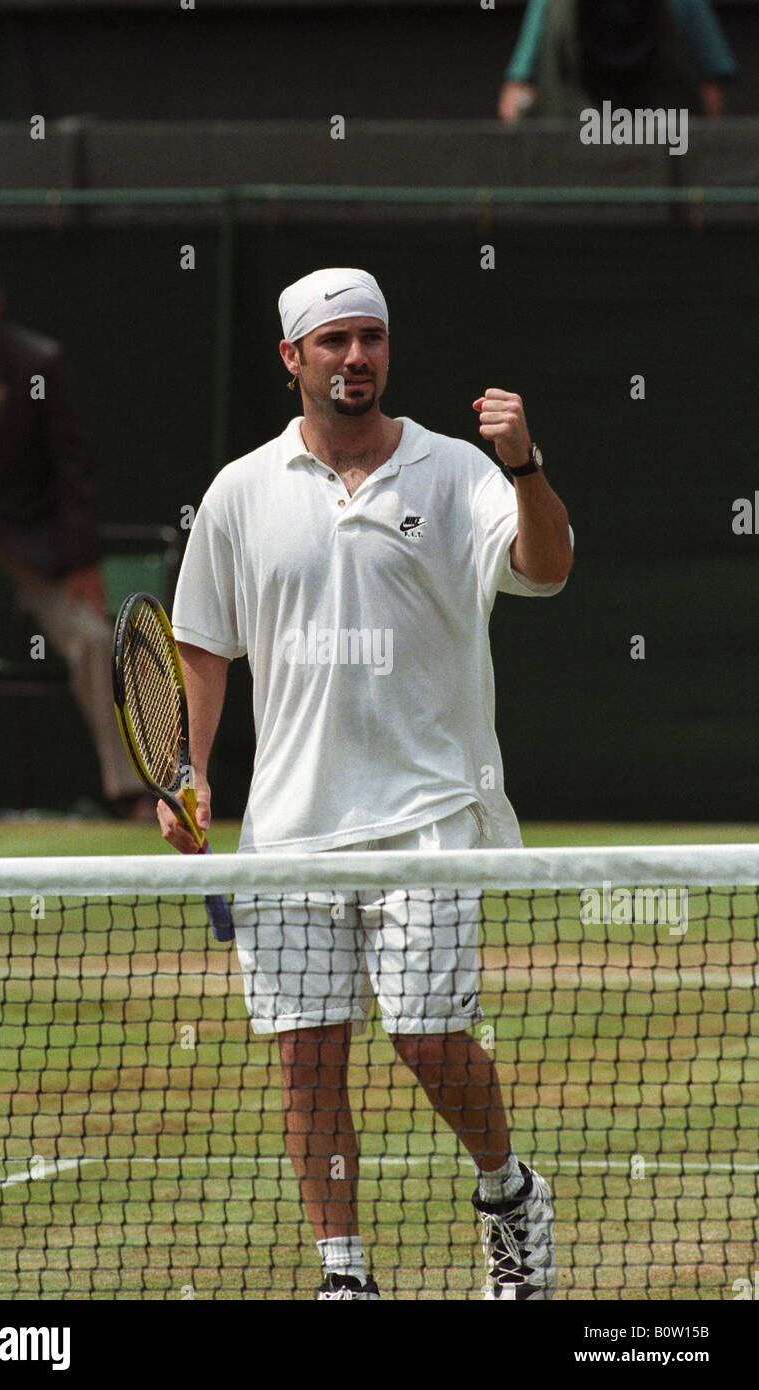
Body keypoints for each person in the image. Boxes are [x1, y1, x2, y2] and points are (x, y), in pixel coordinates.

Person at [159, 267, 574, 1300]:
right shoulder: (238, 492)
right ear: (294, 357)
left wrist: (524, 466)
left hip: (431, 813)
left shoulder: (456, 472)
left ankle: (511, 1194)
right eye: (334, 341)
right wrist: (187, 769)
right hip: (291, 830)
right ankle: (344, 1275)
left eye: (371, 340)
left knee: (429, 1036)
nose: (356, 358)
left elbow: (549, 565)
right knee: (307, 1058)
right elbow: (203, 648)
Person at [0, 253, 143, 816]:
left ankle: (137, 792)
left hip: (35, 533)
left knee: (94, 641)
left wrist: (84, 562)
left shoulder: (39, 362)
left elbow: (74, 468)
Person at [498, 0, 738, 122]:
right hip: (665, 169)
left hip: (572, 171)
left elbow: (515, 99)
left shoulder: (551, 4)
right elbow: (711, 92)